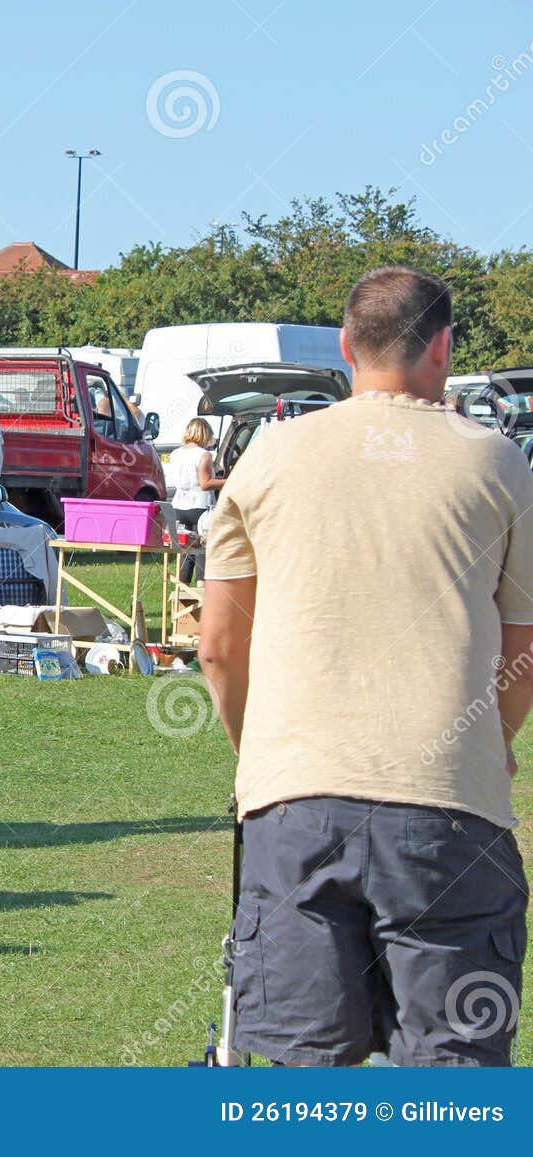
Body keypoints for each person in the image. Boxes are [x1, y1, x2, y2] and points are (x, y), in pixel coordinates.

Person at [201, 266, 533, 1067]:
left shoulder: (270, 456)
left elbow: (216, 644)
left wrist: (265, 756)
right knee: (456, 1085)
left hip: (295, 803)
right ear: (443, 348)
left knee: (302, 1085)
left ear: (347, 346)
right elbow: (522, 651)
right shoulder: (496, 463)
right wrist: (481, 743)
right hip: (451, 804)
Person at [167, 417, 224, 584]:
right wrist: (228, 481)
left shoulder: (175, 453)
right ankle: (201, 588)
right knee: (202, 549)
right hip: (200, 505)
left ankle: (181, 590)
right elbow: (205, 483)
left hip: (178, 505)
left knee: (185, 549)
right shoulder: (203, 454)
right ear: (204, 434)